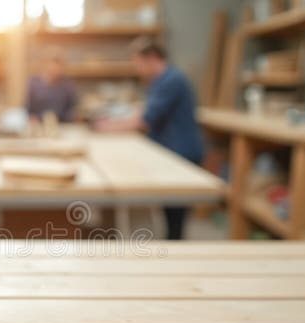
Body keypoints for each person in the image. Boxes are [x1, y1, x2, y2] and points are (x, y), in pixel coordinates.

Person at [94, 38, 205, 240]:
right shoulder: (160, 81)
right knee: (168, 211)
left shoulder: (172, 80)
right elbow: (143, 112)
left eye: (138, 64)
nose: (137, 69)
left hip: (181, 152)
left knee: (175, 216)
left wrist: (109, 127)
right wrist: (115, 122)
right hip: (171, 150)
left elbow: (144, 120)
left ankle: (175, 254)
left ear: (152, 58)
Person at [26, 48, 78, 122]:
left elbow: (72, 107)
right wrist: (32, 117)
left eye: (58, 66)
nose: (54, 69)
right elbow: (28, 106)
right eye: (51, 65)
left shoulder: (67, 85)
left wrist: (67, 118)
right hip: (39, 124)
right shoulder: (34, 83)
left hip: (61, 123)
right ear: (45, 65)